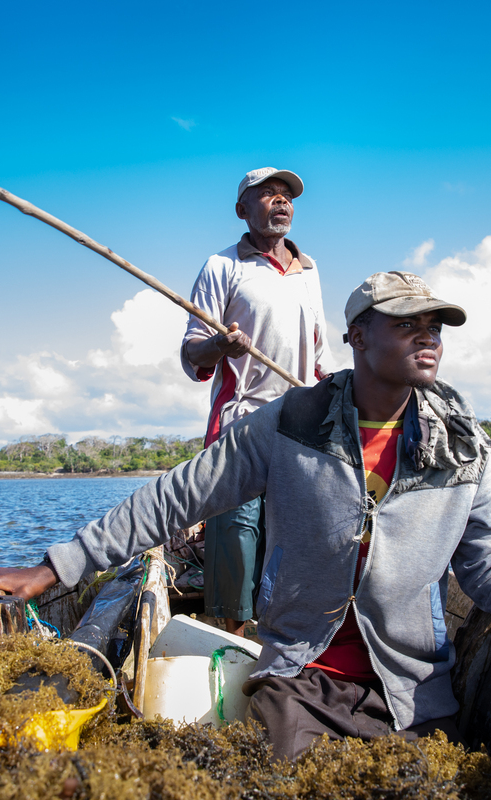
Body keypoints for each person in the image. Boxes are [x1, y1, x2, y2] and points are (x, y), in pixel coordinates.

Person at [0, 271, 491, 762]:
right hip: (300, 679)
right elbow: (176, 496)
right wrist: (56, 567)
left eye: (437, 325)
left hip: (413, 691)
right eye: (407, 323)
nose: (428, 335)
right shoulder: (289, 423)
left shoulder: (467, 449)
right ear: (357, 336)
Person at [178, 167, 330, 636]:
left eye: (287, 196)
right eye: (267, 195)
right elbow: (191, 353)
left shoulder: (309, 269)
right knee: (237, 537)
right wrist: (221, 346)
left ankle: (285, 635)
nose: (280, 202)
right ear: (242, 210)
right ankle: (231, 636)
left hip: (301, 424)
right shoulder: (223, 266)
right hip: (241, 422)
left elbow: (320, 354)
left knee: (295, 537)